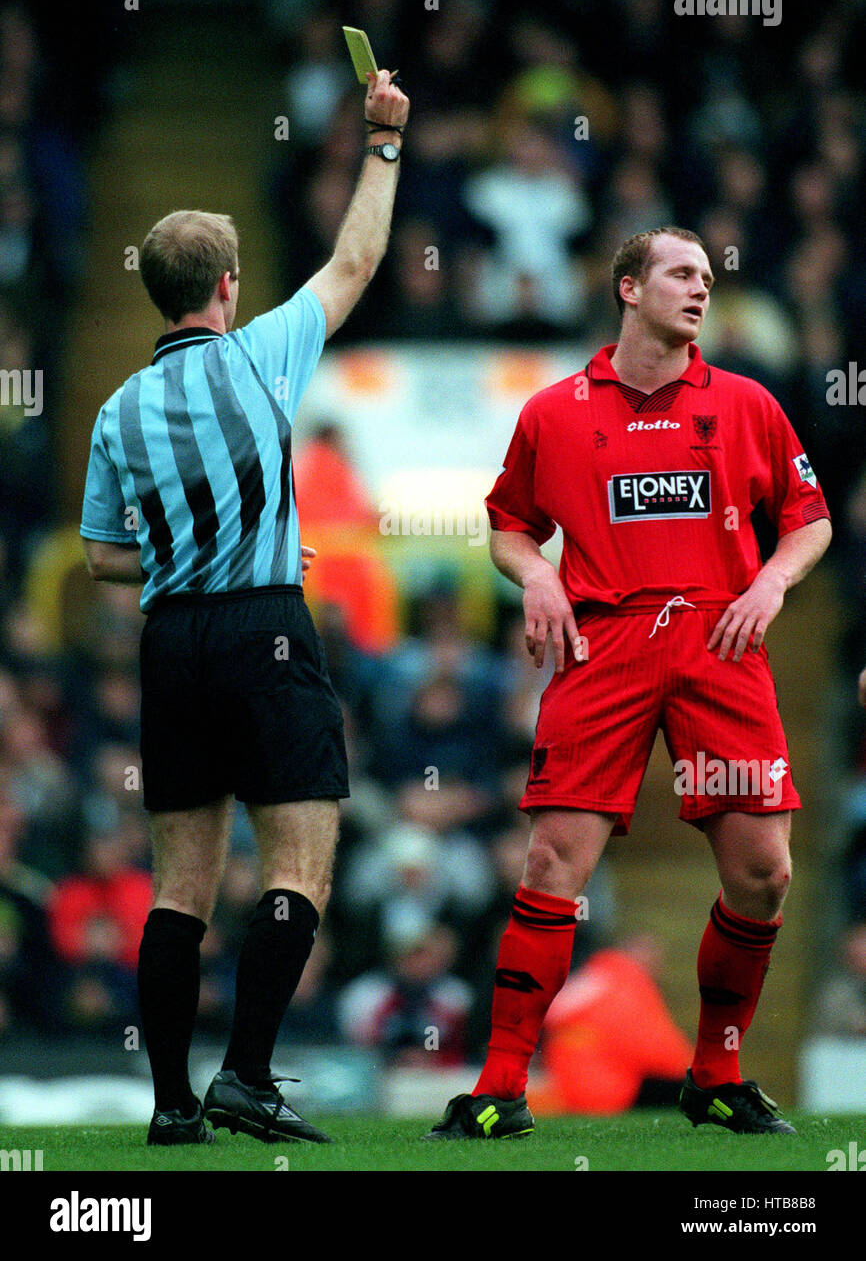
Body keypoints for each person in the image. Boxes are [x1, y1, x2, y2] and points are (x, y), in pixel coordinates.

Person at [426, 225, 832, 1140]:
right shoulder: (555, 412)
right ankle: (499, 1087)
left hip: (720, 642)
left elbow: (812, 522)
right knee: (549, 866)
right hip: (601, 644)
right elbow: (508, 527)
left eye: (706, 277)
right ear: (628, 289)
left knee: (765, 876)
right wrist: (535, 574)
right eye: (681, 274)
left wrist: (771, 579)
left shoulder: (748, 403)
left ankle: (716, 1074)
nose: (701, 289)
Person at [79, 67, 409, 1145]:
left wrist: (188, 554)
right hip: (266, 626)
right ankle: (248, 1074)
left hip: (170, 642)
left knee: (181, 888)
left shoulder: (117, 411)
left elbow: (98, 556)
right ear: (225, 282)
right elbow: (355, 259)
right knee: (298, 863)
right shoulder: (260, 354)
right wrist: (383, 141)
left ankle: (172, 1103)